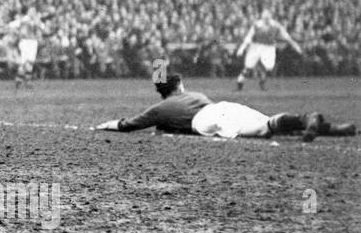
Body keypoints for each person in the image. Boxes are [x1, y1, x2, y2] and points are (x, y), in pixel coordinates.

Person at [94, 72, 355, 142]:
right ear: (180, 86)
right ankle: (333, 129)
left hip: (209, 120)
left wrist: (105, 124)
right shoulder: (194, 94)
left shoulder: (160, 109)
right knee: (266, 123)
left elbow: (128, 126)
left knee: (265, 128)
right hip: (223, 107)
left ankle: (309, 118)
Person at [235, 8, 303, 91]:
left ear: (270, 17)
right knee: (248, 66)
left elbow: (287, 37)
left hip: (269, 47)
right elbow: (248, 37)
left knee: (269, 67)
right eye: (264, 18)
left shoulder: (276, 25)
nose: (266, 19)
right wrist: (241, 49)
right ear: (262, 17)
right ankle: (240, 83)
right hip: (256, 46)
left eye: (267, 18)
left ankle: (261, 75)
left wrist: (296, 46)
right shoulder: (257, 25)